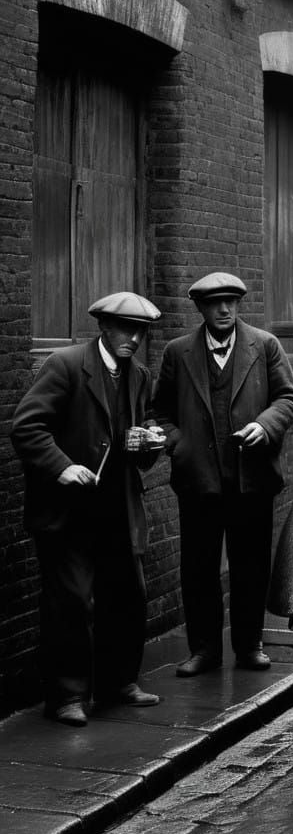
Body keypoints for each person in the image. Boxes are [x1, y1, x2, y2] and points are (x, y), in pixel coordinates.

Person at [11, 292, 166, 726]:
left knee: (127, 597)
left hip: (118, 507)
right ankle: (68, 696)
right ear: (103, 327)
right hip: (68, 511)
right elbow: (26, 426)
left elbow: (140, 435)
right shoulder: (65, 365)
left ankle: (120, 683)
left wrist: (148, 444)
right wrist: (62, 467)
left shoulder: (139, 375)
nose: (133, 338)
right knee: (73, 602)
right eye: (125, 329)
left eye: (140, 331)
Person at [149, 272, 293, 677]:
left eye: (231, 302)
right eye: (215, 303)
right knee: (198, 568)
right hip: (198, 481)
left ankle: (250, 645)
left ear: (239, 304)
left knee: (250, 566)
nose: (224, 310)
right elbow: (158, 412)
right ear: (200, 308)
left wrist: (265, 425)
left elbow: (290, 397)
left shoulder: (265, 346)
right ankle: (204, 651)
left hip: (251, 480)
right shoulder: (178, 352)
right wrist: (178, 443)